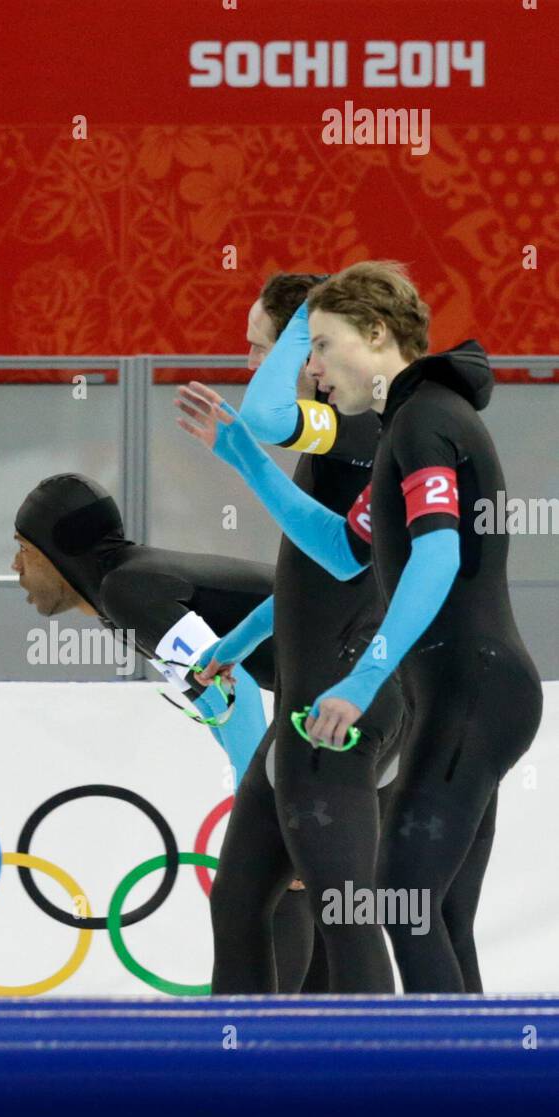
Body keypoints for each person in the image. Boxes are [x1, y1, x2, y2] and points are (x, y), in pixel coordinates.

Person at [183, 260, 542, 991]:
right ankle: (466, 1090)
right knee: (428, 913)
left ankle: (427, 1092)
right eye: (303, 347)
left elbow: (438, 555)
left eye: (318, 344)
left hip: (467, 688)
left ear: (376, 334)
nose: (310, 366)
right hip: (464, 689)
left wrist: (362, 675)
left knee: (402, 907)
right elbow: (342, 552)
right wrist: (247, 466)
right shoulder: (410, 421)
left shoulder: (424, 419)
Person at [177, 272, 403, 994]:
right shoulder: (337, 441)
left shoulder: (352, 428)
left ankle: (382, 1091)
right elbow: (314, 572)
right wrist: (233, 645)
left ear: (307, 354)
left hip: (337, 712)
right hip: (314, 709)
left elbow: (266, 417)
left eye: (259, 348)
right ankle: (240, 1079)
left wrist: (308, 313)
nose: (249, 363)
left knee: (344, 918)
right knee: (240, 904)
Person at [13, 473, 322, 991]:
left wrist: (266, 815)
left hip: (364, 691)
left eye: (22, 550)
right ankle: (302, 1050)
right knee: (280, 887)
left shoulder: (125, 589)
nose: (14, 567)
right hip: (366, 693)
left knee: (250, 890)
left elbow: (234, 689)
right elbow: (221, 702)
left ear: (53, 552)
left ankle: (245, 1054)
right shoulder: (125, 592)